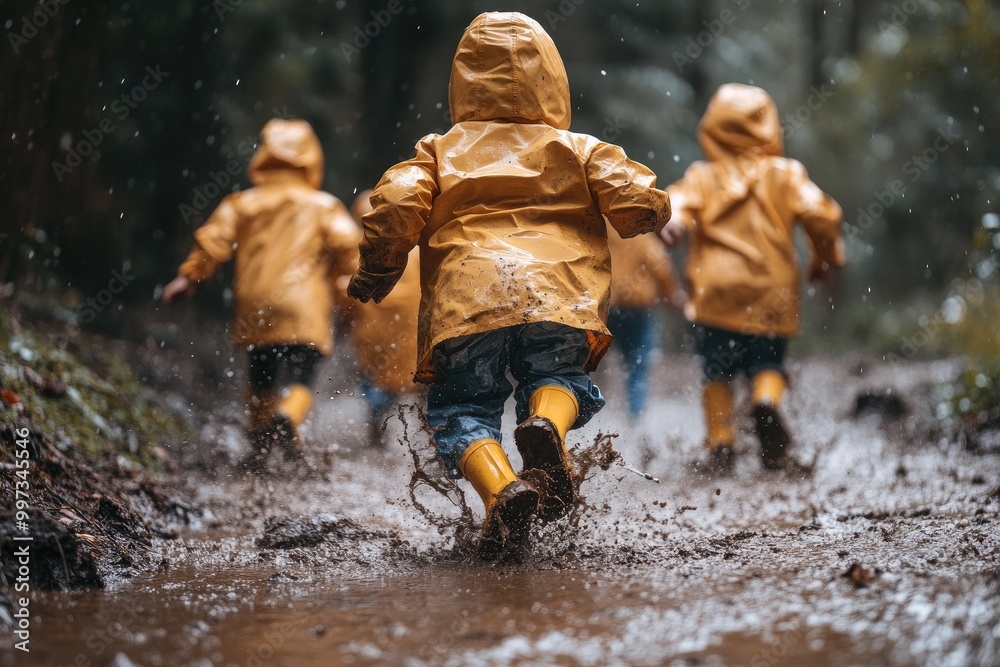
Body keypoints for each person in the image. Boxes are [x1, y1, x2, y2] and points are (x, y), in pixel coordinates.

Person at [347, 12, 677, 561]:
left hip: (468, 301)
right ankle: (546, 419)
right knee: (559, 375)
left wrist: (378, 270)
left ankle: (502, 491)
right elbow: (638, 202)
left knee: (462, 411)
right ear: (551, 79)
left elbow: (397, 204)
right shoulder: (578, 149)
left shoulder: (438, 150)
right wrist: (654, 215)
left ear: (463, 83)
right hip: (559, 296)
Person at [664, 83, 844, 474]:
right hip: (771, 293)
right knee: (768, 362)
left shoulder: (703, 175)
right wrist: (825, 259)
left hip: (717, 292)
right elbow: (822, 215)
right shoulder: (786, 174)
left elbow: (677, 200)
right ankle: (766, 400)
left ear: (712, 128)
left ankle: (721, 443)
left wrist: (674, 221)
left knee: (716, 369)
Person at [163, 118, 360, 473]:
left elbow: (215, 239)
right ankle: (288, 416)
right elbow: (348, 248)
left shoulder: (243, 203)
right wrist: (350, 282)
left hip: (257, 304)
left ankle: (258, 448)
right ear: (311, 159)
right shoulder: (323, 205)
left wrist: (188, 277)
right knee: (302, 374)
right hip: (305, 305)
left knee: (261, 373)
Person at [339, 190, 422, 446]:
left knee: (374, 379)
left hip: (371, 330)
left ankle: (377, 428)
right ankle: (428, 432)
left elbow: (347, 295)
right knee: (413, 377)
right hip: (410, 328)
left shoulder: (356, 253)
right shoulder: (415, 251)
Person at [606, 224, 687, 417]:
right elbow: (658, 263)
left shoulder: (603, 226)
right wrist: (673, 295)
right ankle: (635, 414)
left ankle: (583, 411)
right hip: (637, 307)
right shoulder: (639, 229)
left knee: (592, 359)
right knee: (638, 362)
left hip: (606, 305)